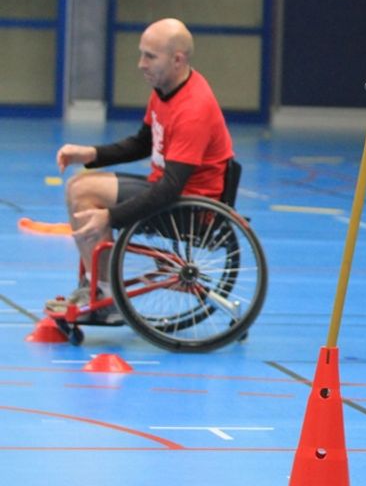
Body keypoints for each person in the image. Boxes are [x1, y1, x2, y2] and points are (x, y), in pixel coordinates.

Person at [46, 18, 234, 322]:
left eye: (150, 56)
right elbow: (143, 142)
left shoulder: (193, 109)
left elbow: (170, 189)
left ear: (177, 59)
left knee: (84, 192)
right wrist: (91, 154)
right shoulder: (165, 89)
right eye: (141, 54)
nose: (140, 64)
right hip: (167, 190)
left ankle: (106, 296)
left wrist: (111, 216)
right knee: (79, 185)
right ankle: (98, 288)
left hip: (188, 208)